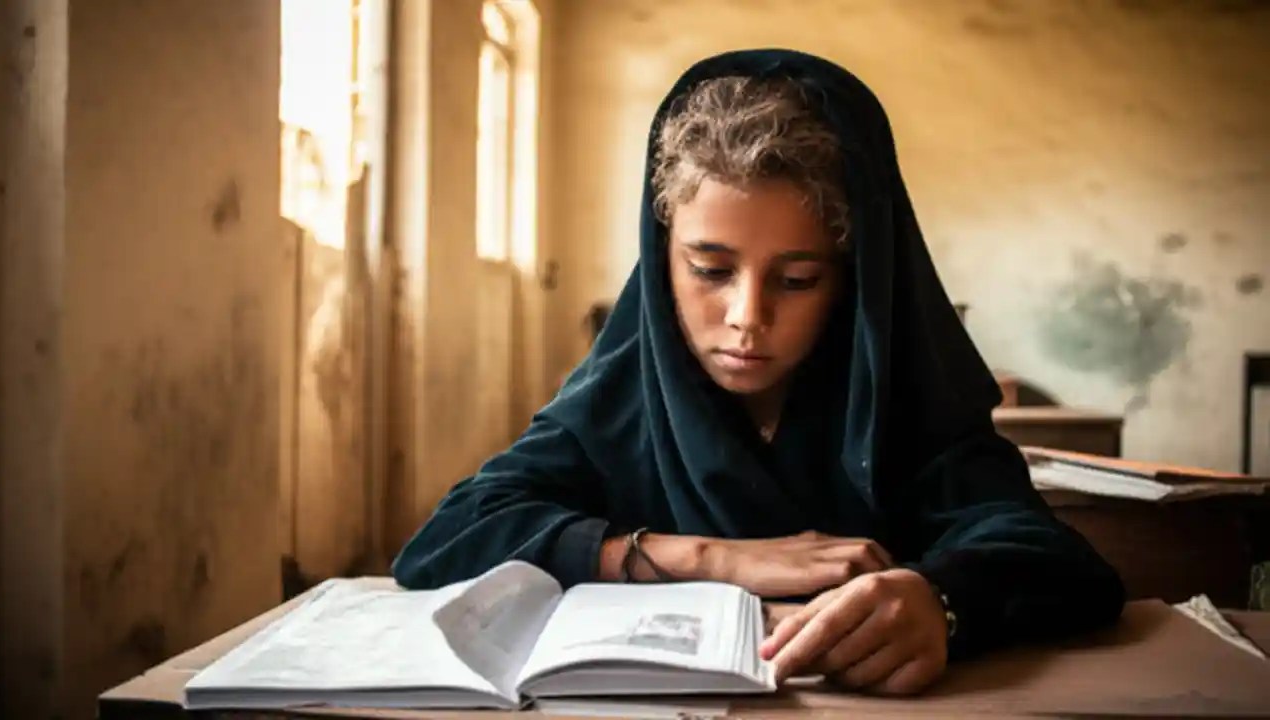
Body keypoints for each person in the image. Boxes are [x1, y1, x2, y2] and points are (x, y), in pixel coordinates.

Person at [392, 48, 1124, 696]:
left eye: (798, 279)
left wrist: (942, 599)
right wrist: (707, 558)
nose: (747, 316)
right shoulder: (621, 401)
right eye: (710, 269)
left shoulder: (903, 400)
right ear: (661, 257)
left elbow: (1058, 562)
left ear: (851, 277)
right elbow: (450, 538)